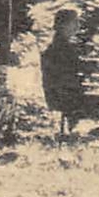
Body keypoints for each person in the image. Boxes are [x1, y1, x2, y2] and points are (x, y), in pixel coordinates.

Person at [40, 9, 89, 137]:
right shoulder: (61, 47)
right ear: (63, 25)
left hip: (59, 93)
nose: (78, 26)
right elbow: (71, 71)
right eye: (75, 22)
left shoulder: (60, 45)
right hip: (63, 95)